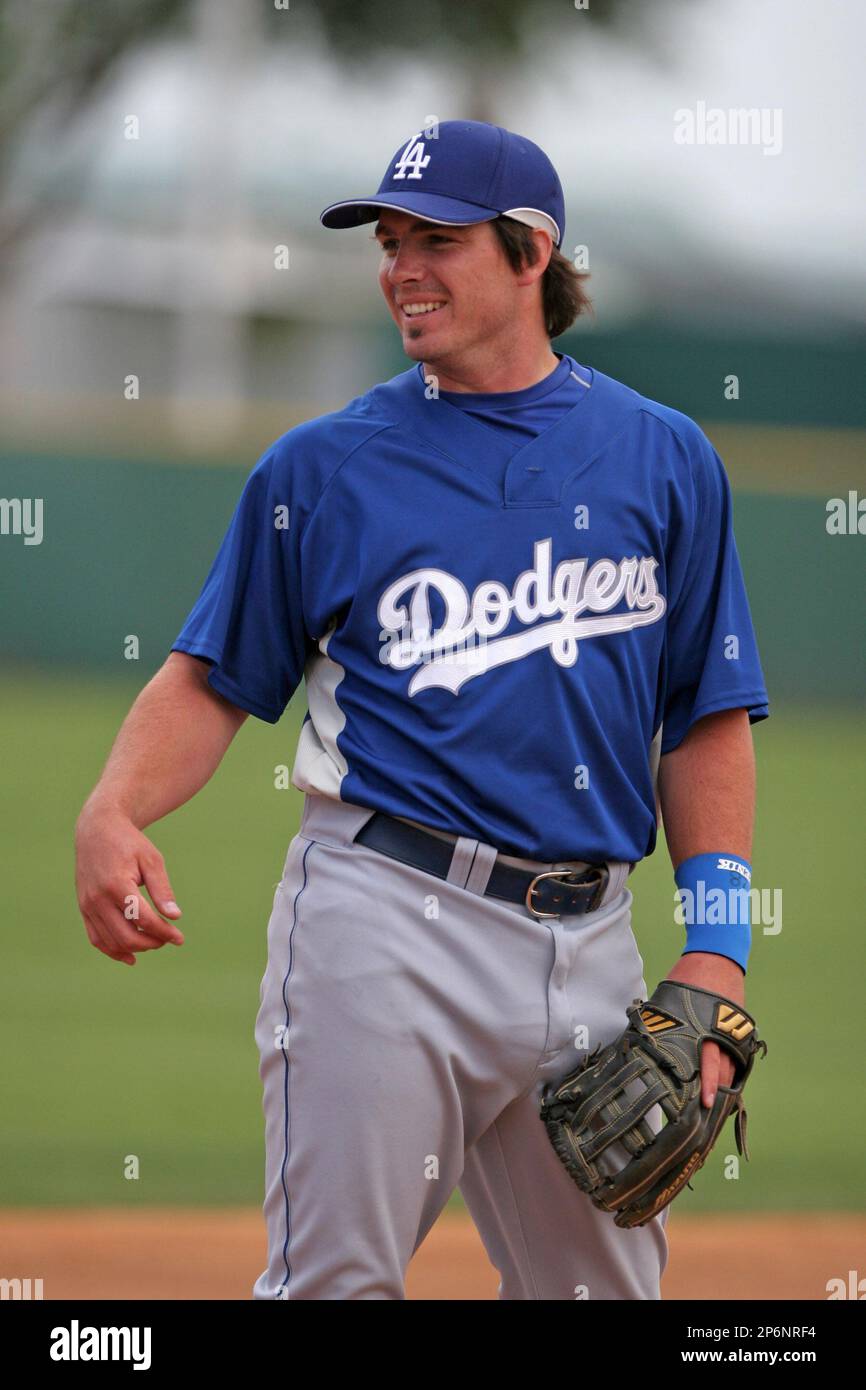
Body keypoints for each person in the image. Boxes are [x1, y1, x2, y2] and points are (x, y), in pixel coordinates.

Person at [74, 120, 769, 1300]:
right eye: (388, 239)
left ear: (529, 251)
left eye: (434, 239)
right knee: (337, 1285)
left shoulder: (663, 460)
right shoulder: (323, 467)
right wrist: (114, 804)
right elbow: (210, 674)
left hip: (591, 946)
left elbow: (703, 714)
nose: (400, 264)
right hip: (385, 919)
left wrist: (718, 948)